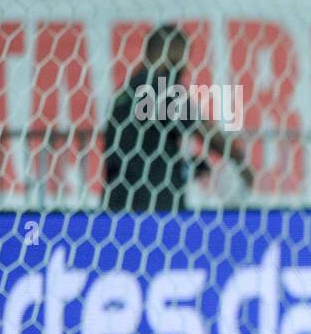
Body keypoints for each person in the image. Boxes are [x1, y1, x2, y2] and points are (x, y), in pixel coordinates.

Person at [102, 24, 253, 212]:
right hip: (155, 209)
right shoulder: (160, 89)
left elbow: (144, 146)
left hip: (115, 207)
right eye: (184, 57)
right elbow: (206, 132)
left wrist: (190, 164)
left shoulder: (124, 93)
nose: (185, 67)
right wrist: (240, 161)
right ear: (174, 52)